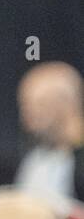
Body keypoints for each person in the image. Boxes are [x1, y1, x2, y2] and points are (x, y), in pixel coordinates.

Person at [16, 61, 84, 201]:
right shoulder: (36, 157)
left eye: (40, 105)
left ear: (65, 105)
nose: (28, 115)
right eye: (24, 106)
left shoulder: (77, 160)